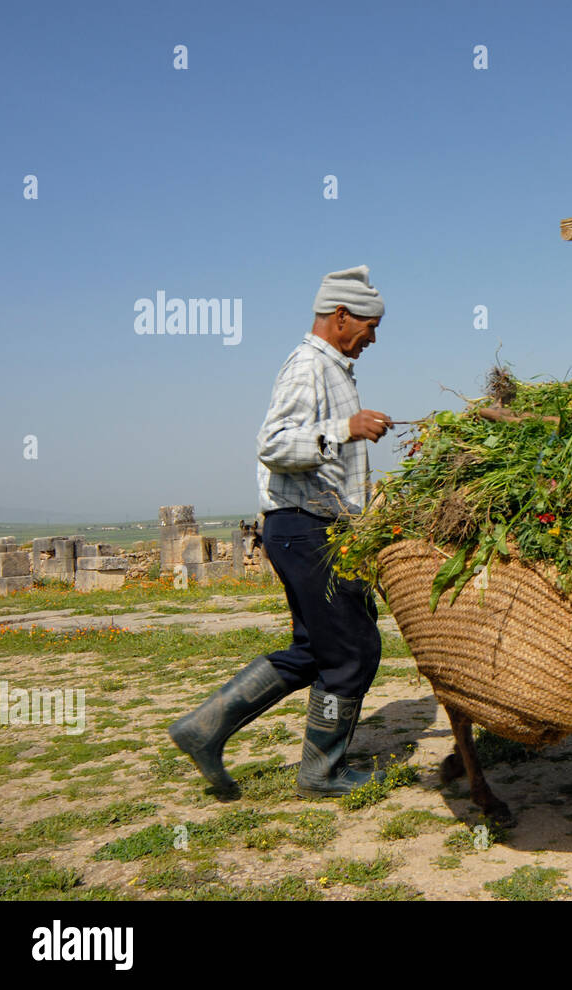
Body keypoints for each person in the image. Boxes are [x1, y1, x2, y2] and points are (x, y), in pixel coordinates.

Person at [169, 265, 394, 798]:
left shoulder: (334, 368)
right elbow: (272, 444)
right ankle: (321, 773)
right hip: (305, 528)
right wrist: (345, 429)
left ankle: (204, 729)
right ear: (341, 317)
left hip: (313, 528)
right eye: (369, 325)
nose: (373, 337)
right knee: (352, 651)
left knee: (318, 648)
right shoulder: (307, 366)